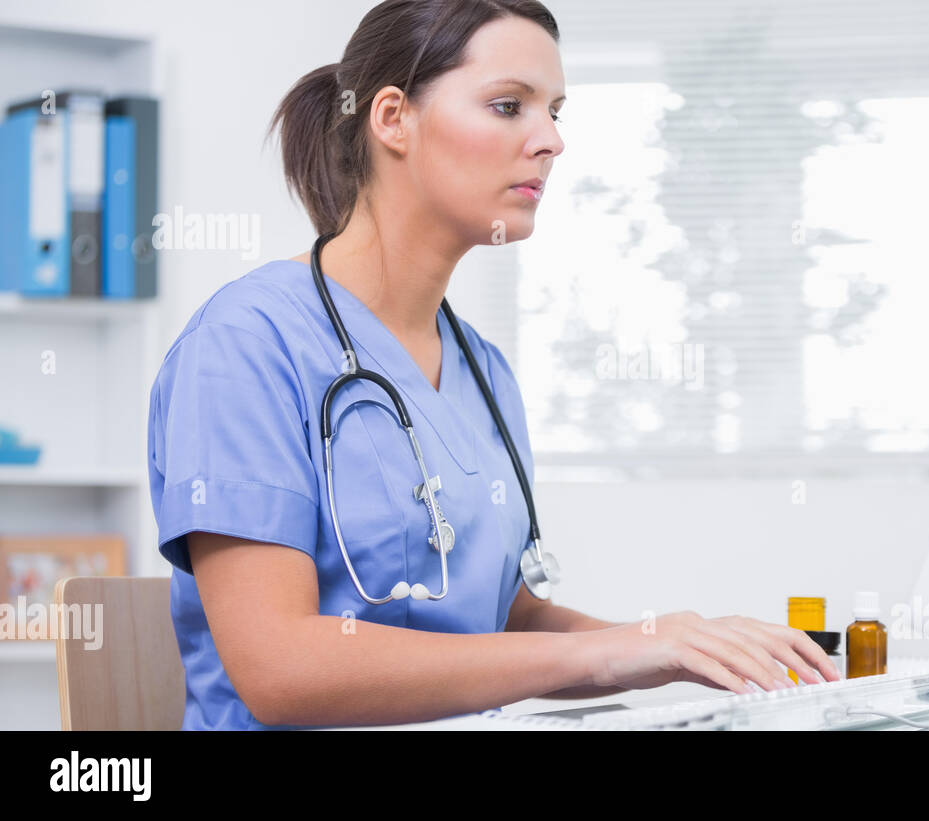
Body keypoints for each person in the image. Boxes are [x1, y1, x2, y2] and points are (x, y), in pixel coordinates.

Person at [147, 0, 839, 730]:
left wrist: (669, 645)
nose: (550, 141)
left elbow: (501, 621)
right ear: (392, 119)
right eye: (509, 105)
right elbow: (281, 669)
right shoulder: (245, 345)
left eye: (556, 112)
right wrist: (607, 655)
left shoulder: (483, 369)